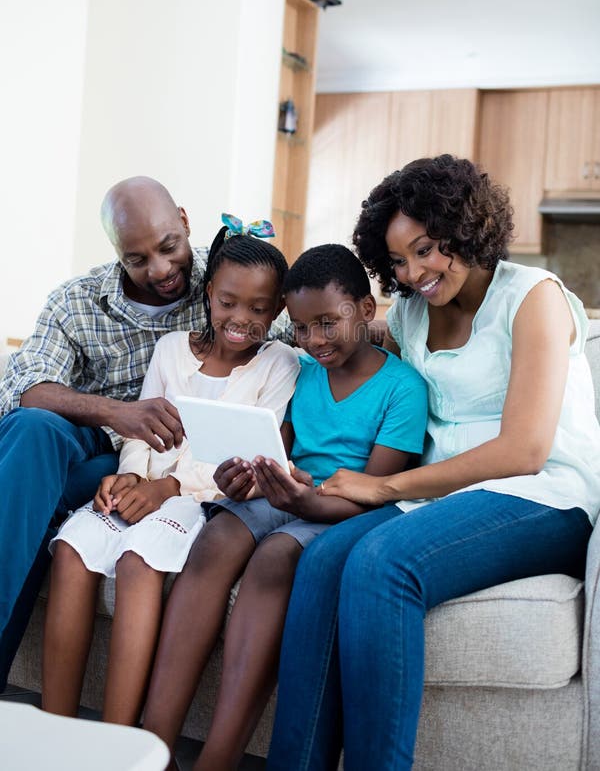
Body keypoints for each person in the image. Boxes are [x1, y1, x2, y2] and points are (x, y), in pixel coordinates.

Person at [267, 154, 600, 771]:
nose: (414, 272)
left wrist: (382, 485)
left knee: (382, 561)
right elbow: (331, 336)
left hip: (543, 494)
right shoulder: (412, 315)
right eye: (397, 260)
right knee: (320, 560)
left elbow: (524, 449)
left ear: (464, 228)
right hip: (441, 498)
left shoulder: (533, 297)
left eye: (426, 249)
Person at [141, 244, 428, 771]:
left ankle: (217, 759)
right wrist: (247, 479)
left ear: (367, 311)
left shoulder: (403, 389)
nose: (315, 340)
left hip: (349, 509)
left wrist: (307, 502)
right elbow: (280, 445)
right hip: (290, 493)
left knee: (275, 556)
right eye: (300, 327)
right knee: (219, 536)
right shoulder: (303, 369)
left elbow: (377, 491)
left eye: (327, 323)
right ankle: (151, 749)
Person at [0, 176, 290, 691]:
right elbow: (23, 388)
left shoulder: (231, 277)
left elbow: (306, 321)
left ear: (183, 220)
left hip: (151, 476)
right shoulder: (78, 302)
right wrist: (117, 413)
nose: (159, 269)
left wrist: (376, 331)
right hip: (88, 447)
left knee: (50, 519)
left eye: (168, 247)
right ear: (116, 253)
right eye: (137, 259)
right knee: (31, 430)